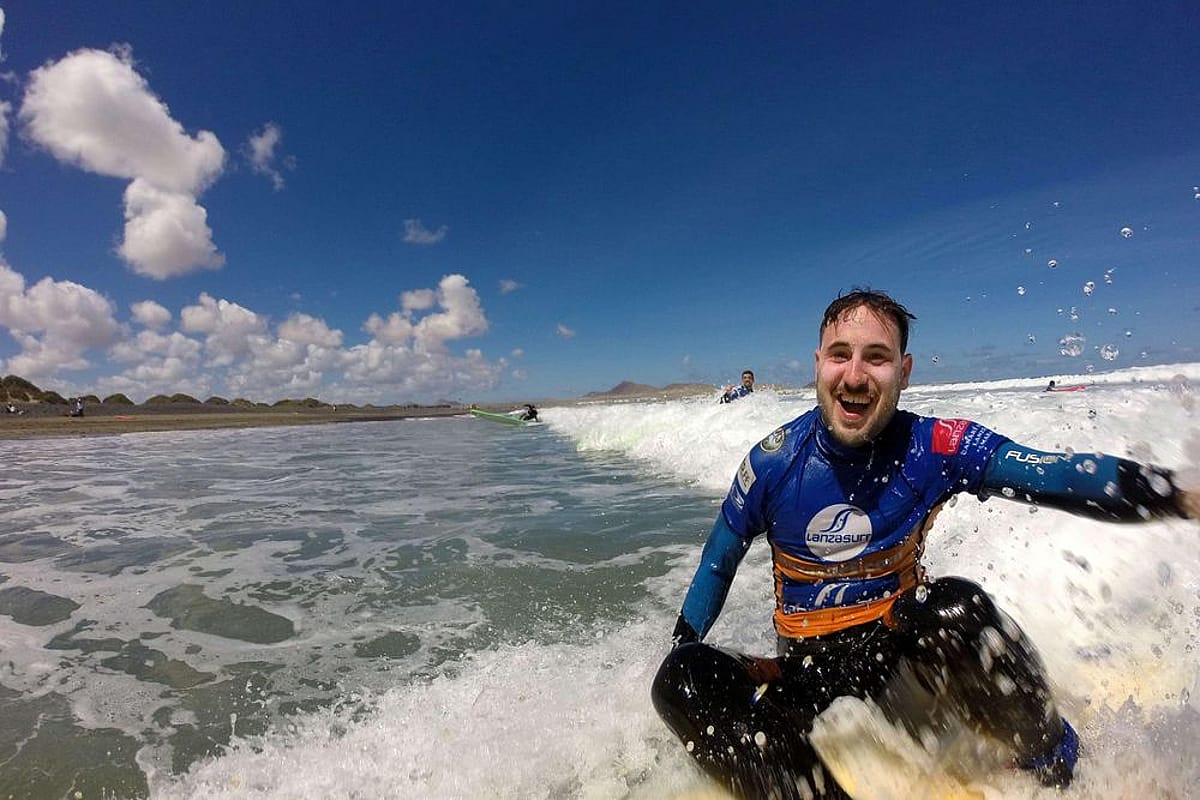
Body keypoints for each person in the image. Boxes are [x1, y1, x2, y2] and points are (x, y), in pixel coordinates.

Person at [652, 289, 1197, 800]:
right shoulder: (773, 462)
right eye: (840, 355)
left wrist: (1177, 494)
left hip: (902, 670)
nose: (856, 376)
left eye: (877, 358)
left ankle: (1060, 772)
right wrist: (684, 641)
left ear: (904, 372)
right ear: (817, 362)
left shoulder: (933, 447)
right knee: (681, 678)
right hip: (803, 679)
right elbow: (717, 562)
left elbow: (1052, 474)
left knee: (955, 609)